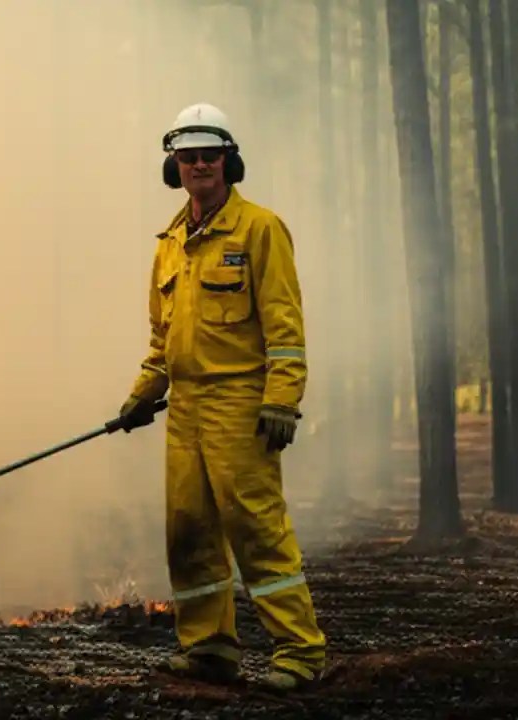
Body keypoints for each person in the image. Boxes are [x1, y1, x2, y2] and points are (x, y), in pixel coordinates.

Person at [116, 103, 327, 692]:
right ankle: (209, 647)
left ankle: (300, 652)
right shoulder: (169, 242)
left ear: (230, 162)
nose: (200, 165)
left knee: (256, 528)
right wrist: (140, 396)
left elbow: (285, 326)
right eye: (188, 157)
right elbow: (162, 340)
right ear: (174, 167)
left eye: (210, 155)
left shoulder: (261, 229)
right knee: (188, 530)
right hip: (184, 409)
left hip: (240, 403)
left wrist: (282, 399)